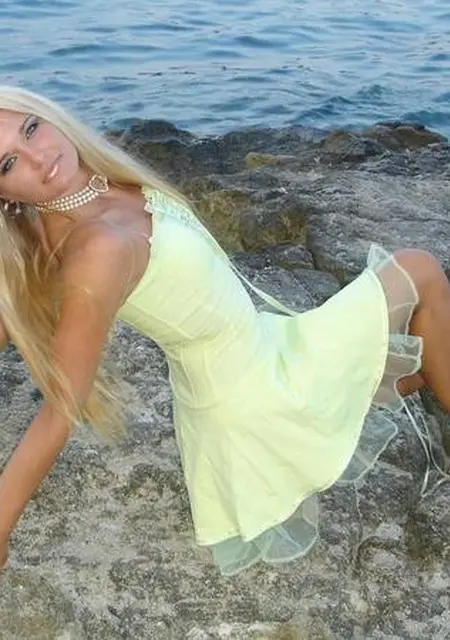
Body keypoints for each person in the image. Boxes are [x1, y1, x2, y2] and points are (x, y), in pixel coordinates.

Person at [0, 86, 448, 577]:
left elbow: (16, 306)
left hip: (270, 345)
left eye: (31, 128)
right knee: (419, 270)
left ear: (48, 114)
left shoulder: (81, 193)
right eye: (8, 164)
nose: (39, 158)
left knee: (428, 344)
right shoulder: (96, 250)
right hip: (250, 395)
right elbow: (61, 410)